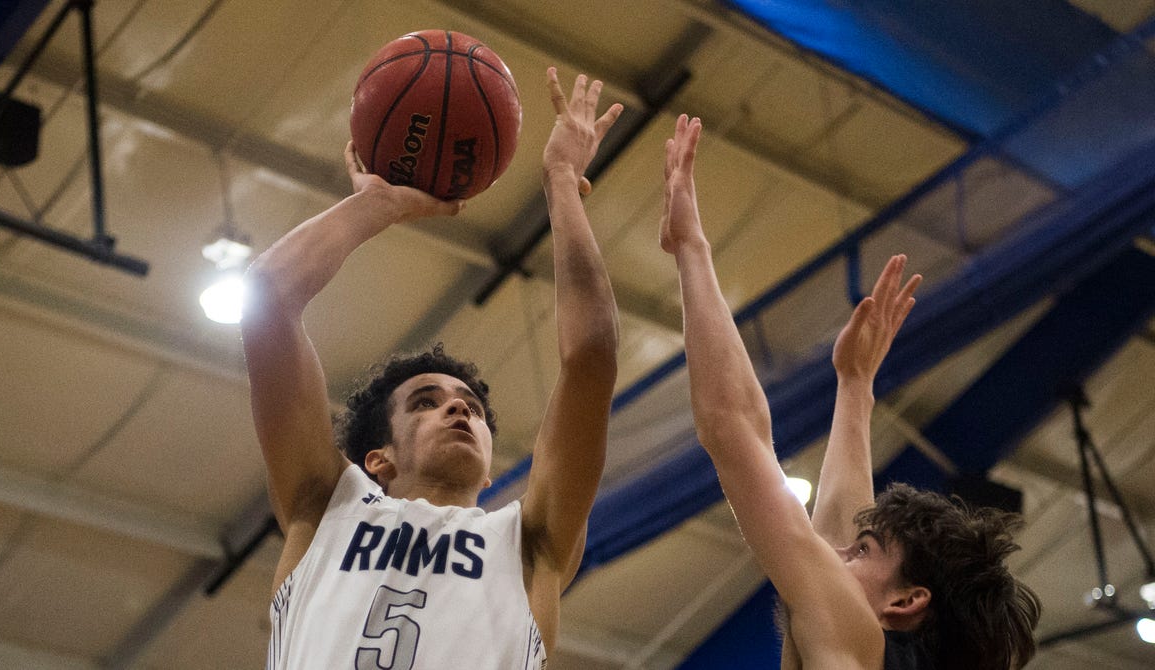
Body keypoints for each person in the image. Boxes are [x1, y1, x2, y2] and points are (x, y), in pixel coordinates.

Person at [241, 67, 622, 669]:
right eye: (426, 401)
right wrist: (380, 203)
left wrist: (561, 187)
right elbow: (266, 298)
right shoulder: (325, 505)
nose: (458, 407)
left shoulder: (530, 545)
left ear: (494, 464)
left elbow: (592, 357)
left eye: (469, 405)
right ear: (378, 459)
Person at [658, 114, 1040, 669]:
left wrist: (692, 248)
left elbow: (731, 424)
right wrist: (855, 387)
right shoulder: (867, 649)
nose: (833, 549)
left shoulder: (856, 636)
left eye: (863, 553)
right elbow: (843, 522)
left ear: (906, 602)